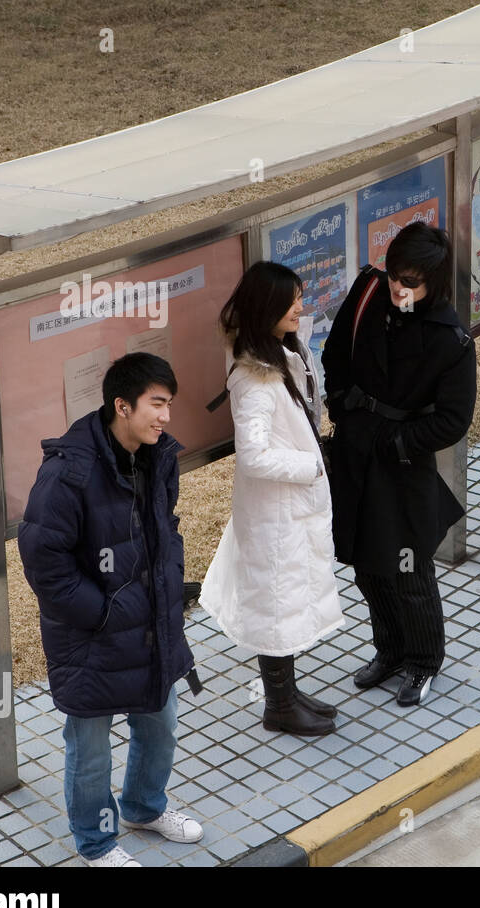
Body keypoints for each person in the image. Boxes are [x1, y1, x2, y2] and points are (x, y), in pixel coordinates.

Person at [17, 352, 203, 867]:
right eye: (157, 404)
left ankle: (143, 809)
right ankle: (97, 844)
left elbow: (165, 530)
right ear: (122, 406)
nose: (166, 416)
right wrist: (99, 613)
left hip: (150, 627)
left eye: (169, 404)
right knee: (90, 749)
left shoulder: (157, 455)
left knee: (159, 726)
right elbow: (42, 557)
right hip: (89, 636)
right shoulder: (68, 472)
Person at [322, 223, 476, 707]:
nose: (399, 288)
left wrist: (399, 442)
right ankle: (388, 650)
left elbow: (454, 420)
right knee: (365, 563)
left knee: (409, 567)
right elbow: (334, 353)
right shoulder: (369, 290)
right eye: (395, 276)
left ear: (433, 282)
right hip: (354, 447)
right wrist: (343, 409)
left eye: (411, 281)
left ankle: (425, 660)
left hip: (402, 460)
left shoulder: (451, 340)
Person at [200, 261, 345, 737]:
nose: (300, 307)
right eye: (292, 301)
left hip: (283, 511)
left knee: (284, 596)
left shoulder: (276, 351)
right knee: (277, 603)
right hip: (276, 512)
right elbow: (255, 456)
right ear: (267, 309)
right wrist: (312, 466)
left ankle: (287, 695)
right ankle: (279, 706)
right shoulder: (255, 378)